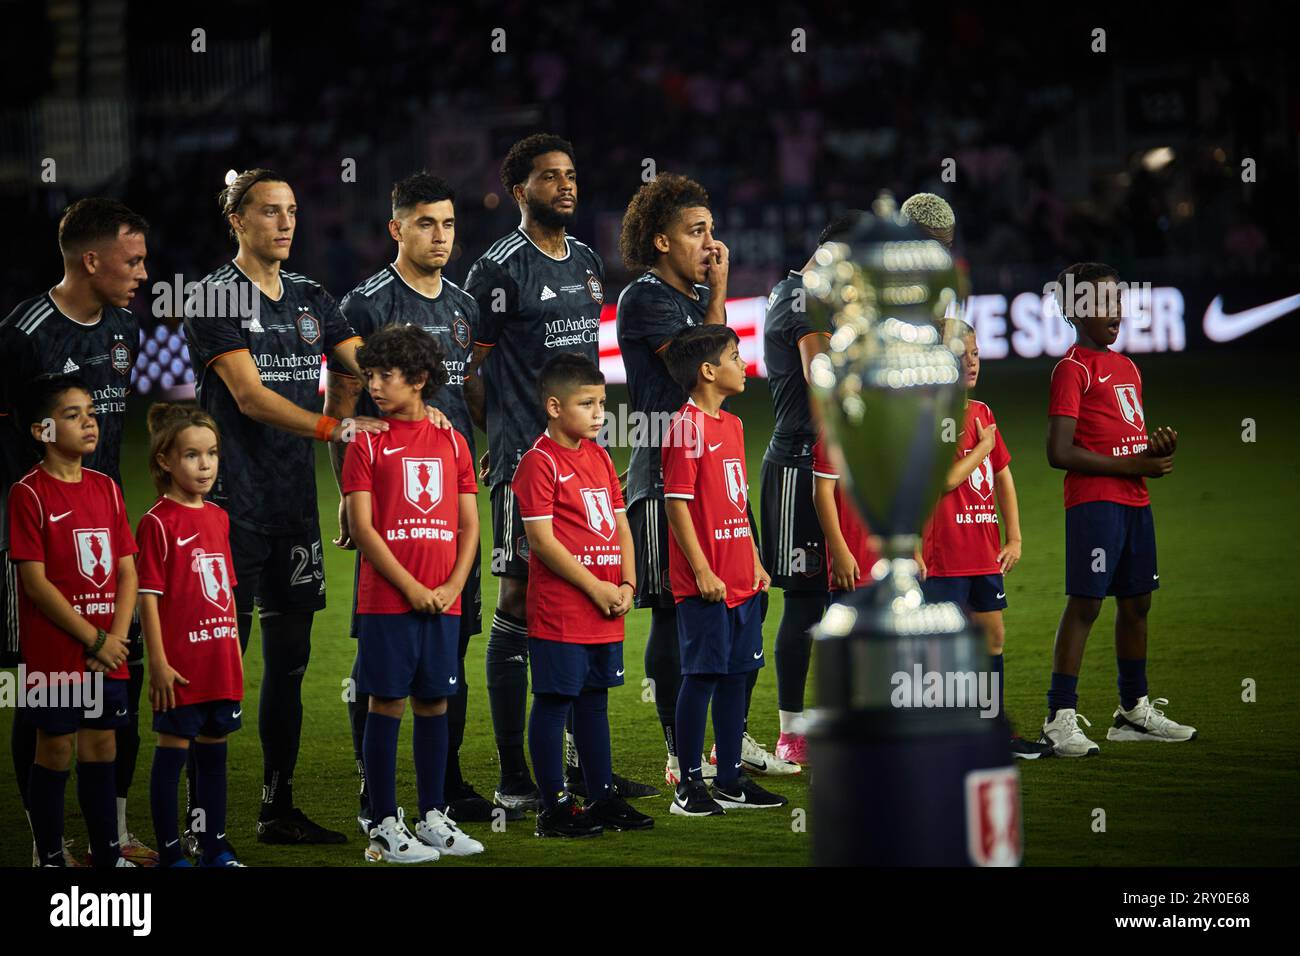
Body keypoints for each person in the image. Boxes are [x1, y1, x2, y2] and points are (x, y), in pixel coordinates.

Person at [183, 168, 429, 845]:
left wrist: (409, 391)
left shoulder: (313, 297)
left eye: (291, 210)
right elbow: (250, 397)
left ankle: (275, 807)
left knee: (289, 664)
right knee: (219, 666)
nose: (285, 223)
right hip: (227, 508)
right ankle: (202, 828)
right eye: (269, 211)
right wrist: (337, 428)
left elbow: (358, 363)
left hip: (293, 508)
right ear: (236, 220)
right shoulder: (211, 298)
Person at [463, 134, 653, 808]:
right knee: (518, 601)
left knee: (576, 604)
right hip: (527, 464)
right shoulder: (497, 269)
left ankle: (583, 769)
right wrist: (504, 434)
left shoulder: (590, 263)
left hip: (584, 461)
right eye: (550, 178)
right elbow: (470, 368)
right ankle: (516, 774)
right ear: (520, 191)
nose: (566, 187)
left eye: (571, 176)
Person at [325, 171, 495, 827]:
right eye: (426, 223)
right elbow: (342, 407)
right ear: (396, 229)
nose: (440, 236)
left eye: (449, 224)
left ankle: (443, 786)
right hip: (392, 506)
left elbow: (468, 391)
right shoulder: (365, 305)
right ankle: (377, 791)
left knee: (451, 643)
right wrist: (349, 495)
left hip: (448, 505)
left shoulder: (463, 304)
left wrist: (488, 439)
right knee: (384, 649)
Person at [0, 198, 155, 865]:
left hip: (108, 533)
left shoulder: (125, 326)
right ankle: (46, 843)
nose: (144, 274)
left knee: (121, 677)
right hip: (37, 537)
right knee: (40, 693)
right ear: (91, 260)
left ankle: (111, 831)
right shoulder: (23, 333)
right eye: (133, 259)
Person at [342, 323, 484, 862]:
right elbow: (362, 528)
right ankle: (382, 823)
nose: (374, 385)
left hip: (442, 599)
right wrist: (412, 587)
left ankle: (431, 816)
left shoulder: (452, 439)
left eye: (385, 375)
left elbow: (469, 526)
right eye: (370, 375)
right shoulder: (366, 441)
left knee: (434, 701)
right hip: (388, 601)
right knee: (387, 701)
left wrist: (449, 586)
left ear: (420, 379)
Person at [1040, 262, 1196, 755]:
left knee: (1138, 602)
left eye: (1117, 299)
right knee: (1086, 603)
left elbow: (1127, 442)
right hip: (1094, 504)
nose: (1115, 311)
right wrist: (1134, 466)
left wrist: (1154, 450)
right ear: (1074, 310)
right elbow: (1058, 452)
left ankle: (1132, 711)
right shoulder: (1072, 368)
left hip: (1134, 502)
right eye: (1101, 302)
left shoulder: (1128, 366)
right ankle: (1059, 716)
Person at [512, 353, 653, 837]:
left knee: (594, 702)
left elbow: (620, 526)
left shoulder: (599, 456)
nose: (599, 413)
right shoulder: (538, 462)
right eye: (587, 404)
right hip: (563, 611)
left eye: (602, 403)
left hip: (606, 604)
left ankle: (602, 799)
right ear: (554, 407)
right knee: (554, 702)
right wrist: (597, 587)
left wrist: (629, 583)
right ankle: (553, 807)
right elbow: (542, 542)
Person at [8, 374, 138, 867]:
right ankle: (51, 857)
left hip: (109, 649)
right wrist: (94, 638)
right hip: (58, 651)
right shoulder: (29, 494)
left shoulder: (105, 486)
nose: (89, 421)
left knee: (103, 744)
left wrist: (117, 638)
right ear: (43, 431)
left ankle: (106, 853)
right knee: (57, 748)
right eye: (72, 415)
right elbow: (37, 584)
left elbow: (127, 568)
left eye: (90, 412)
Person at [660, 326, 786, 816]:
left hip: (741, 578)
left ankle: (731, 778)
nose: (743, 363)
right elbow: (677, 507)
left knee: (738, 676)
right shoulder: (686, 428)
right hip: (706, 585)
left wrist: (753, 558)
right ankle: (689, 783)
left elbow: (738, 502)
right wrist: (701, 571)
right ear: (709, 371)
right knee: (704, 675)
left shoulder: (730, 426)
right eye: (735, 356)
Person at [758, 210, 867, 769]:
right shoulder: (801, 297)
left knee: (845, 595)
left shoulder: (808, 296)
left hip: (828, 463)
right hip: (799, 466)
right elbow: (818, 373)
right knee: (805, 601)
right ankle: (791, 732)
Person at [919, 327, 1053, 758]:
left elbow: (1003, 477)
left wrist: (1013, 536)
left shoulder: (981, 410)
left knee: (993, 636)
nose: (973, 361)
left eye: (976, 353)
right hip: (944, 555)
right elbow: (944, 479)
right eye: (963, 354)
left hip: (982, 552)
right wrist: (983, 447)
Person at [137, 403, 245, 867]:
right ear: (164, 460)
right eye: (191, 456)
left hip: (220, 661)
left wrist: (235, 652)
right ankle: (170, 853)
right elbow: (147, 599)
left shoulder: (219, 517)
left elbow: (228, 593)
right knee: (174, 754)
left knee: (215, 753)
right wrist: (158, 663)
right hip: (180, 667)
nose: (205, 466)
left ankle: (212, 845)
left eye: (212, 454)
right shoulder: (157, 522)